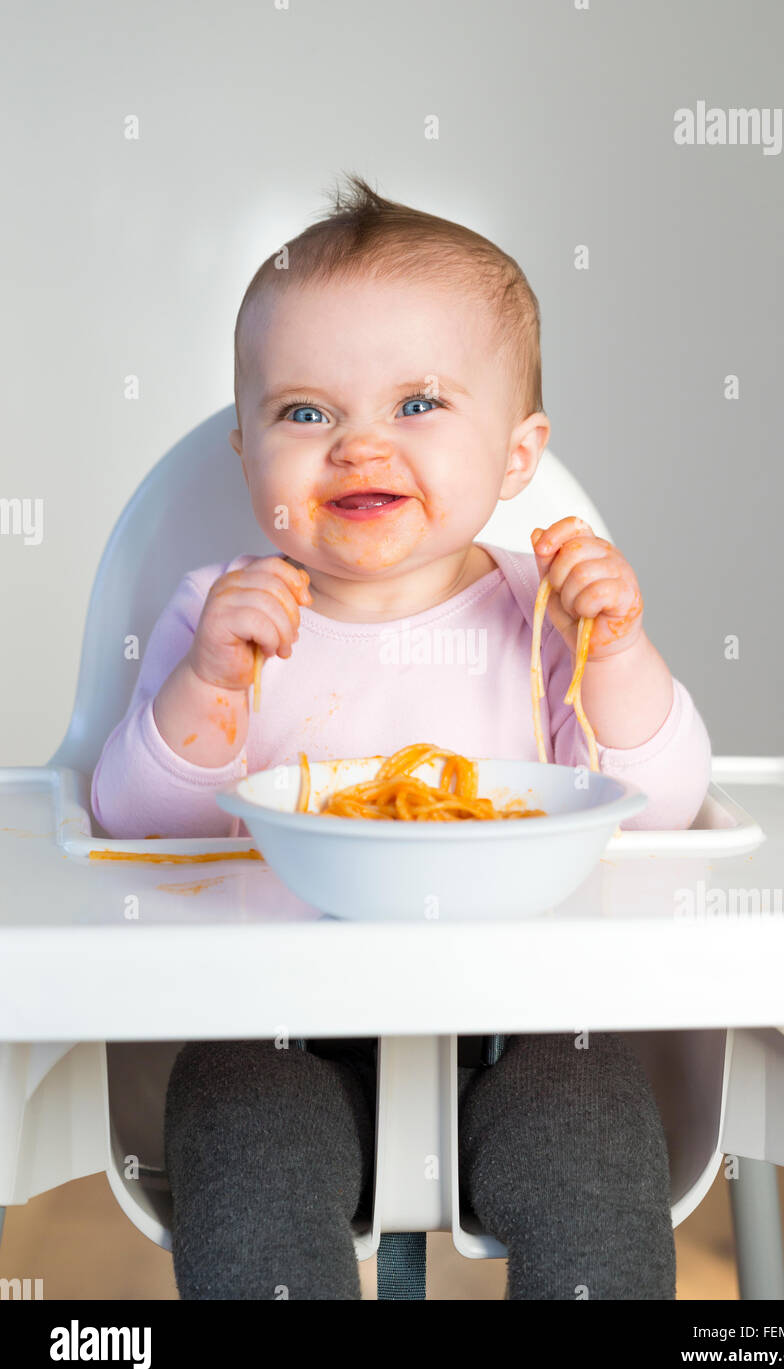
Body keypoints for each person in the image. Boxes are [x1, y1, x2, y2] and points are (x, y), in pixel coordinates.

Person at [91, 173, 711, 1299]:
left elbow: (661, 809)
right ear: (246, 452)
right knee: (240, 1133)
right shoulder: (216, 612)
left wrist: (615, 652)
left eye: (417, 404)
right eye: (306, 412)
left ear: (517, 456)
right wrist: (207, 687)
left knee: (593, 1132)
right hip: (270, 1029)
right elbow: (136, 828)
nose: (358, 445)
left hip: (527, 1027)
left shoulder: (547, 615)